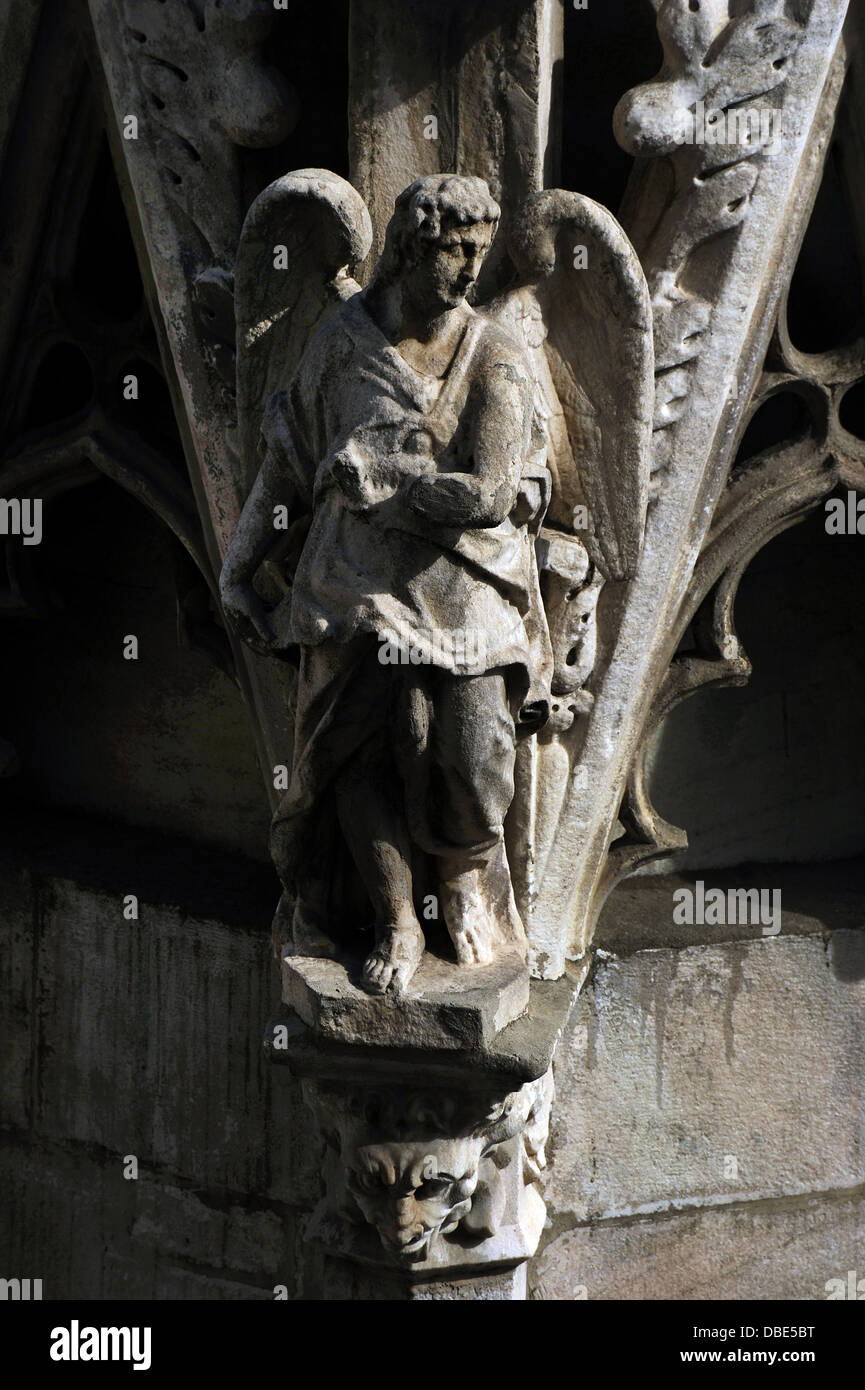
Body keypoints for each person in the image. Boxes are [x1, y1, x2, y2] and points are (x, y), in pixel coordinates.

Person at [221, 174, 552, 996]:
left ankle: (462, 878)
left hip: (468, 586)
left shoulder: (495, 357)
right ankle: (396, 914)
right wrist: (237, 566)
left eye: (478, 253)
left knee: (475, 758)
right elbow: (287, 462)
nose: (469, 271)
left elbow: (501, 490)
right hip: (352, 586)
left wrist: (399, 481)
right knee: (353, 753)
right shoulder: (341, 341)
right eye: (452, 252)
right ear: (409, 249)